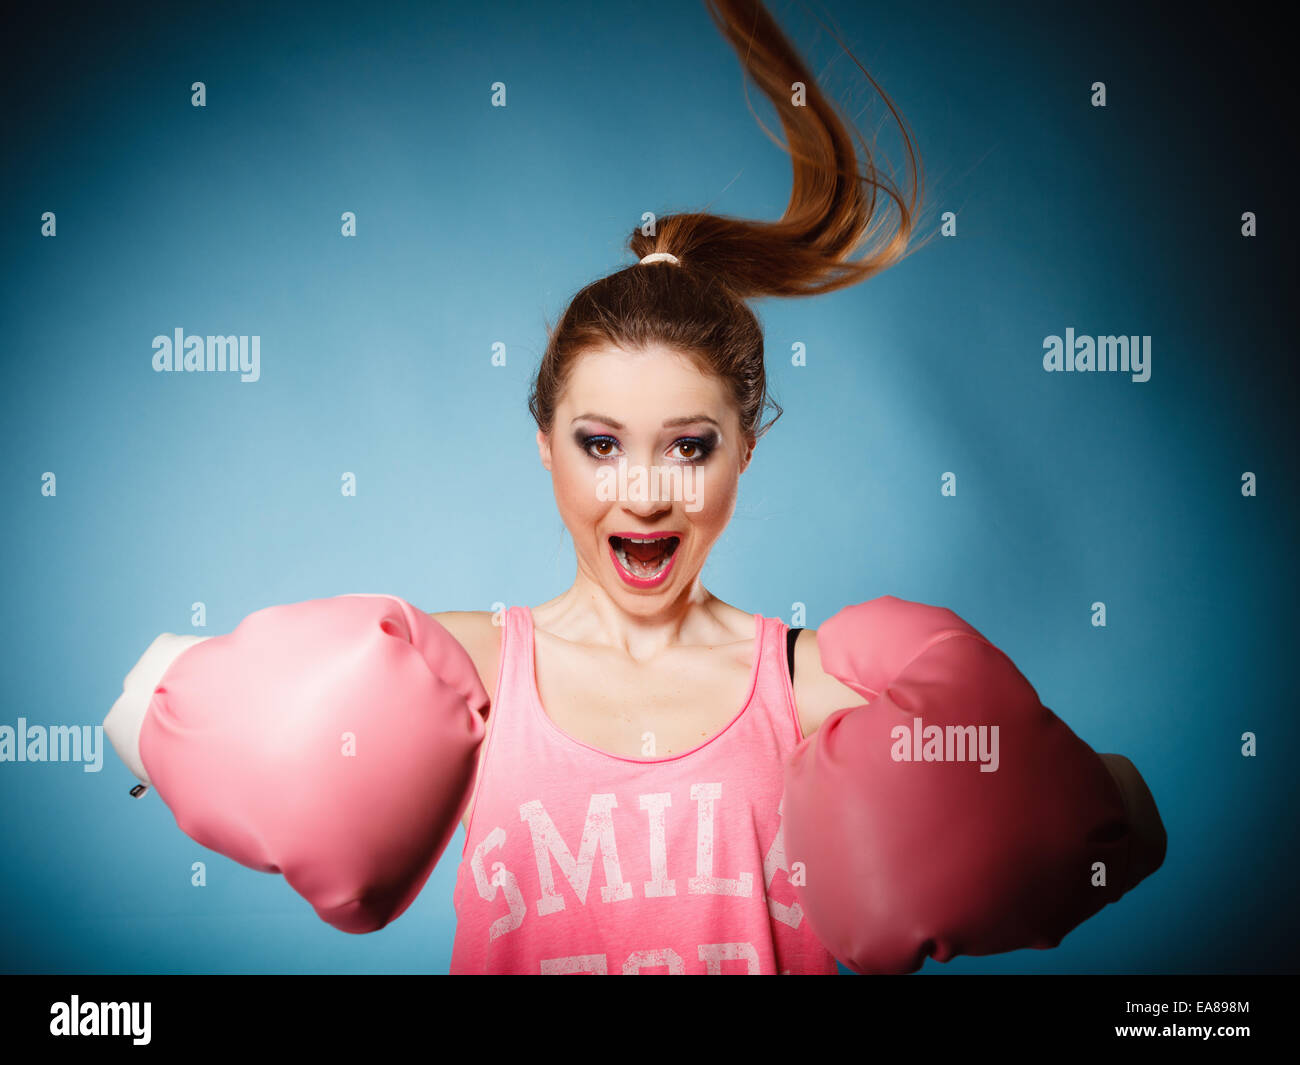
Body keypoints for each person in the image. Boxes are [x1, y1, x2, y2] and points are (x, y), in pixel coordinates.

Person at [104, 0, 1166, 975]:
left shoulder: (809, 694)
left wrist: (1067, 793)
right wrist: (171, 723)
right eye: (601, 443)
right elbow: (164, 711)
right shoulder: (458, 677)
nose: (645, 491)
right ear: (545, 448)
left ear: (746, 450)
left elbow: (1119, 828)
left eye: (690, 446)